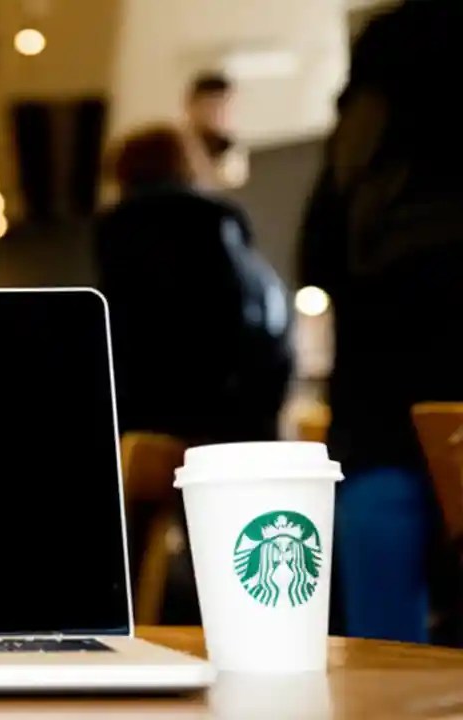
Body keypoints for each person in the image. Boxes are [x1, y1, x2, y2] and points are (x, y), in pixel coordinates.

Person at [298, 0, 463, 644]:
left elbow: (315, 259)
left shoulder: (361, 152)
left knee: (383, 639)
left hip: (380, 415)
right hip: (445, 415)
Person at [95, 125, 292, 444]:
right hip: (231, 422)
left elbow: (117, 335)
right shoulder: (219, 222)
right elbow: (262, 322)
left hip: (145, 425)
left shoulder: (116, 233)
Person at [184, 71, 249, 190]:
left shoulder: (233, 152)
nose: (217, 114)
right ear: (191, 106)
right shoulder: (174, 149)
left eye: (223, 106)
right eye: (210, 106)